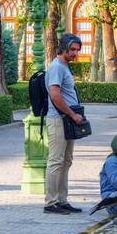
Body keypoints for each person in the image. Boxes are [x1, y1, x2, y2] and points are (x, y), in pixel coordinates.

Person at [45, 33, 86, 215]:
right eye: (73, 49)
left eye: (78, 50)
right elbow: (55, 95)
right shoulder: (56, 67)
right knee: (56, 161)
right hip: (58, 119)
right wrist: (71, 114)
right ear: (64, 48)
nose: (75, 53)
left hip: (67, 119)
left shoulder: (64, 66)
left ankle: (62, 200)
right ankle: (50, 202)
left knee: (66, 161)